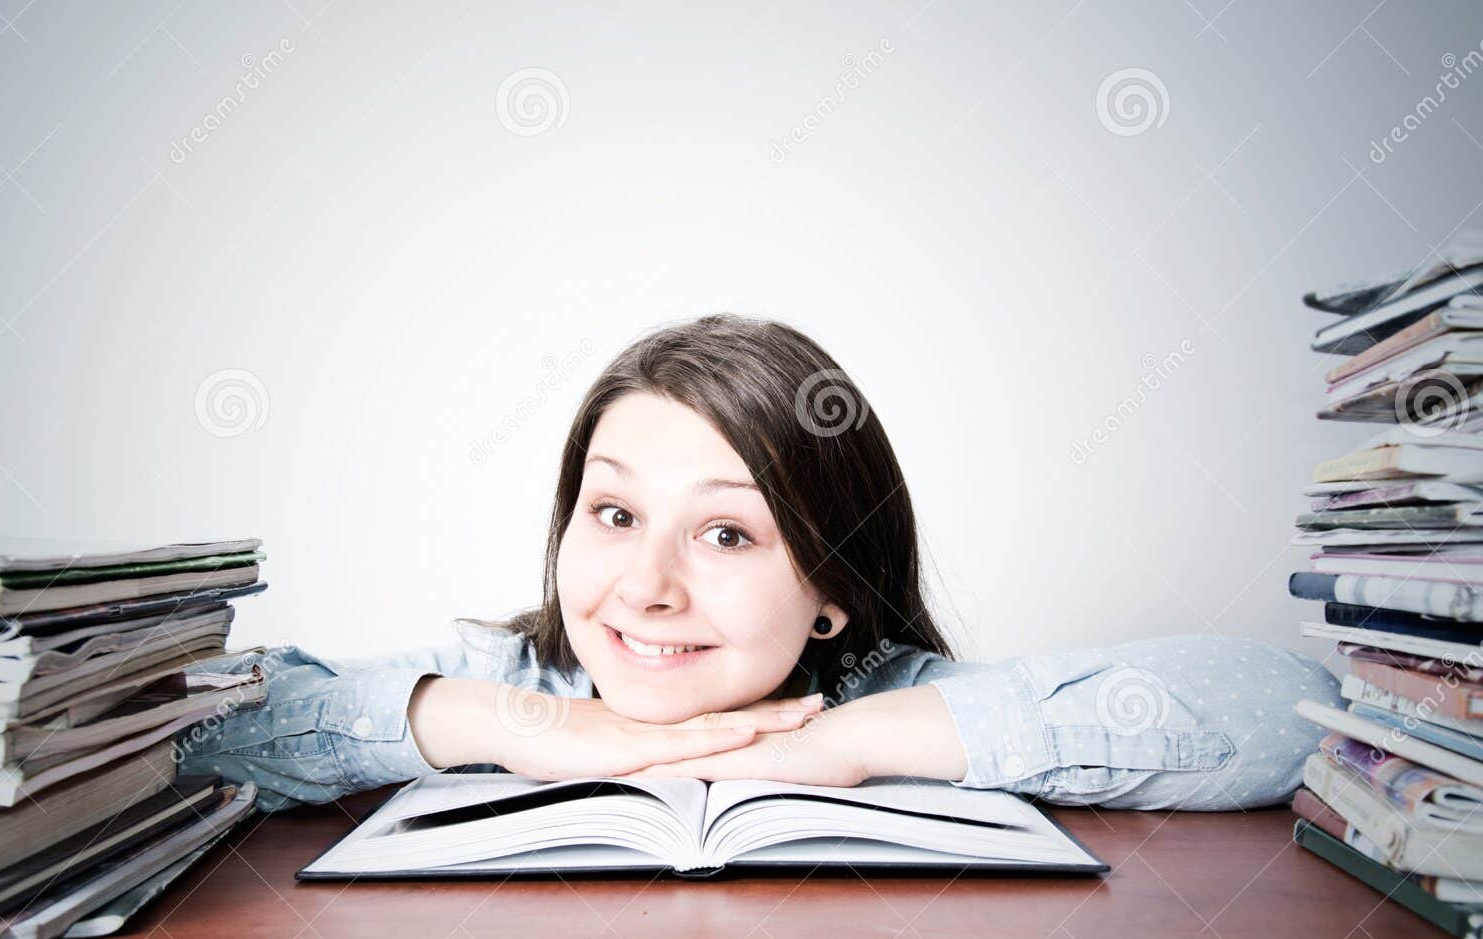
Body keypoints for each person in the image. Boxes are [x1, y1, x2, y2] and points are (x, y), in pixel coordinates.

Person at [176, 314, 1339, 813]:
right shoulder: (516, 682)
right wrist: (519, 727)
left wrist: (839, 746)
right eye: (614, 513)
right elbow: (172, 738)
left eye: (725, 532)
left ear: (831, 584)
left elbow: (1295, 709)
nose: (647, 586)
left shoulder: (894, 698)